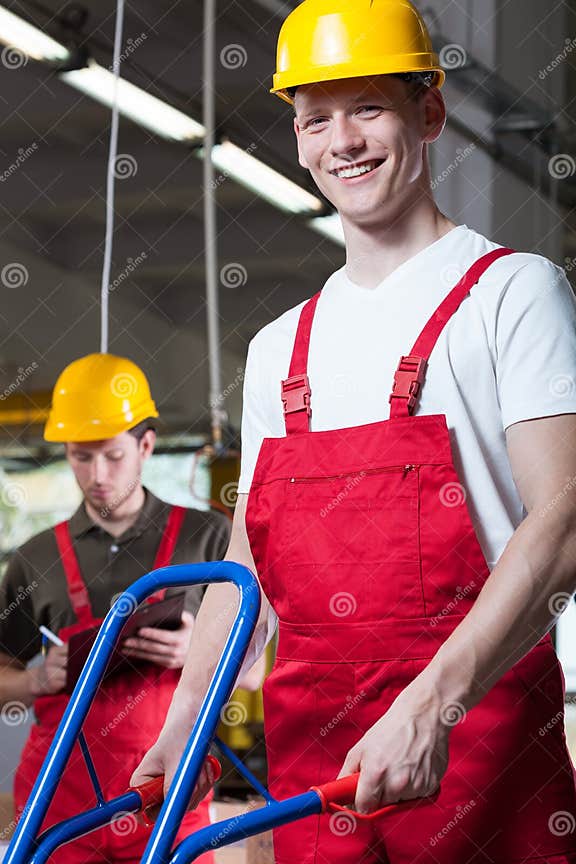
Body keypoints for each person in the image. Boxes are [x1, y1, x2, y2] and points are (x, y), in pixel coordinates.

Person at [132, 1, 576, 861]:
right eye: (315, 118)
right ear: (297, 139)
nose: (344, 140)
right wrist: (184, 722)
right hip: (316, 764)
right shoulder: (279, 350)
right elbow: (250, 562)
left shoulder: (513, 294)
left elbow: (561, 524)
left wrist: (429, 706)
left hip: (479, 754)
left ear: (430, 112)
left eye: (369, 106)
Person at [0, 352, 244, 864]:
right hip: (59, 800)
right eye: (80, 457)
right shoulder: (34, 557)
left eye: (112, 455)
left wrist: (198, 652)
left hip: (170, 789)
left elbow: (258, 675)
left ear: (146, 445)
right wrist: (34, 682)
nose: (97, 474)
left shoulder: (209, 537)